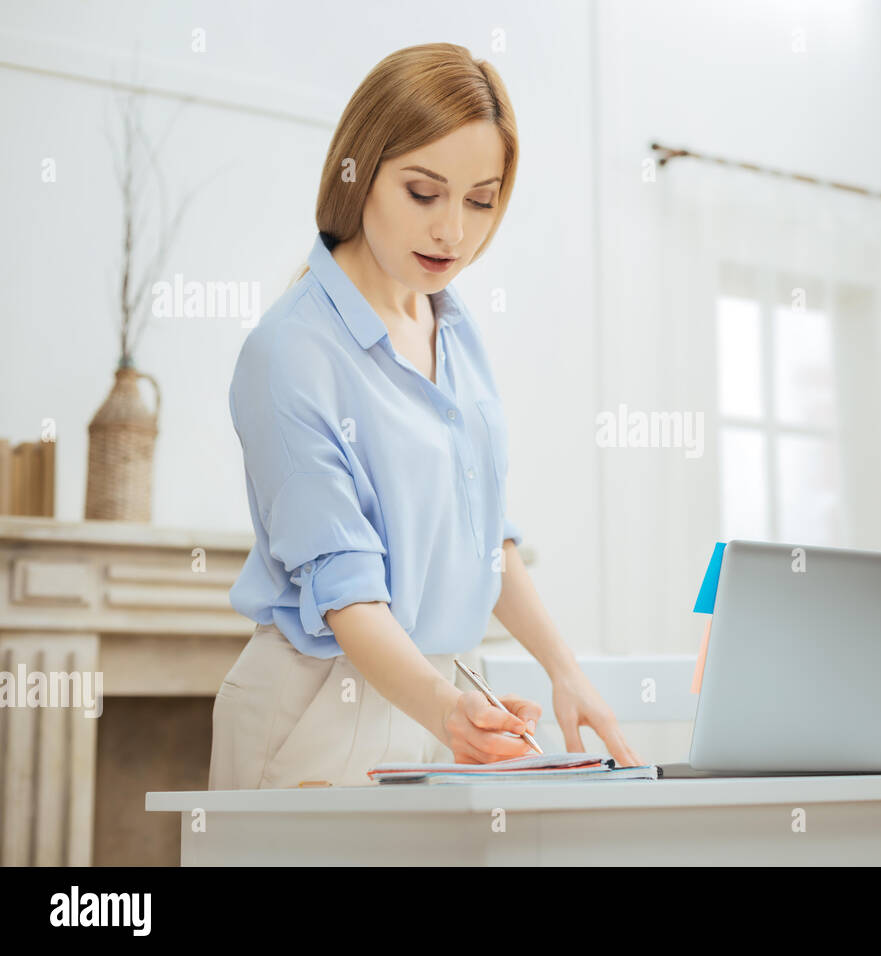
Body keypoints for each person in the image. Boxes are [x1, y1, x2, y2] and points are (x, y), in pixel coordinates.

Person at [209, 42, 643, 789]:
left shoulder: (454, 326)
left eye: (480, 200)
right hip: (321, 706)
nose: (453, 232)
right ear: (358, 174)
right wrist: (446, 712)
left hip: (450, 694)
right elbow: (346, 592)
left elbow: (487, 536)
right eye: (423, 192)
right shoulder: (289, 351)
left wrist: (564, 671)